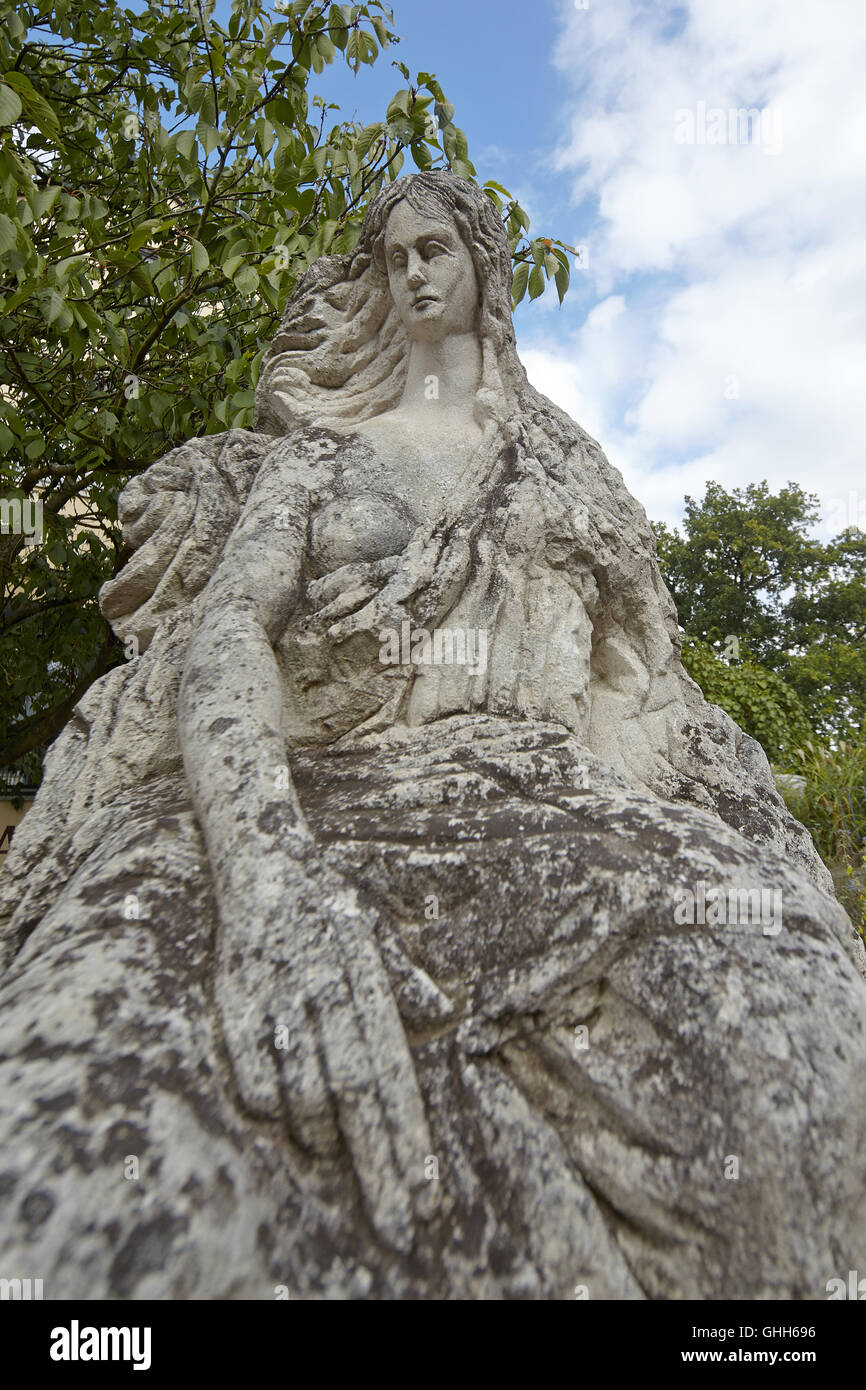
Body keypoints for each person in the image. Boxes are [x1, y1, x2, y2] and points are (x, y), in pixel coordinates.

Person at [2, 173, 863, 1299]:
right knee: (78, 1145)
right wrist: (267, 873)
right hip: (317, 781)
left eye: (432, 249)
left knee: (807, 1059)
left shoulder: (561, 470)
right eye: (390, 256)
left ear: (482, 268)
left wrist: (725, 819)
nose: (409, 271)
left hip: (535, 797)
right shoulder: (322, 457)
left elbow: (646, 682)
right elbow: (227, 634)